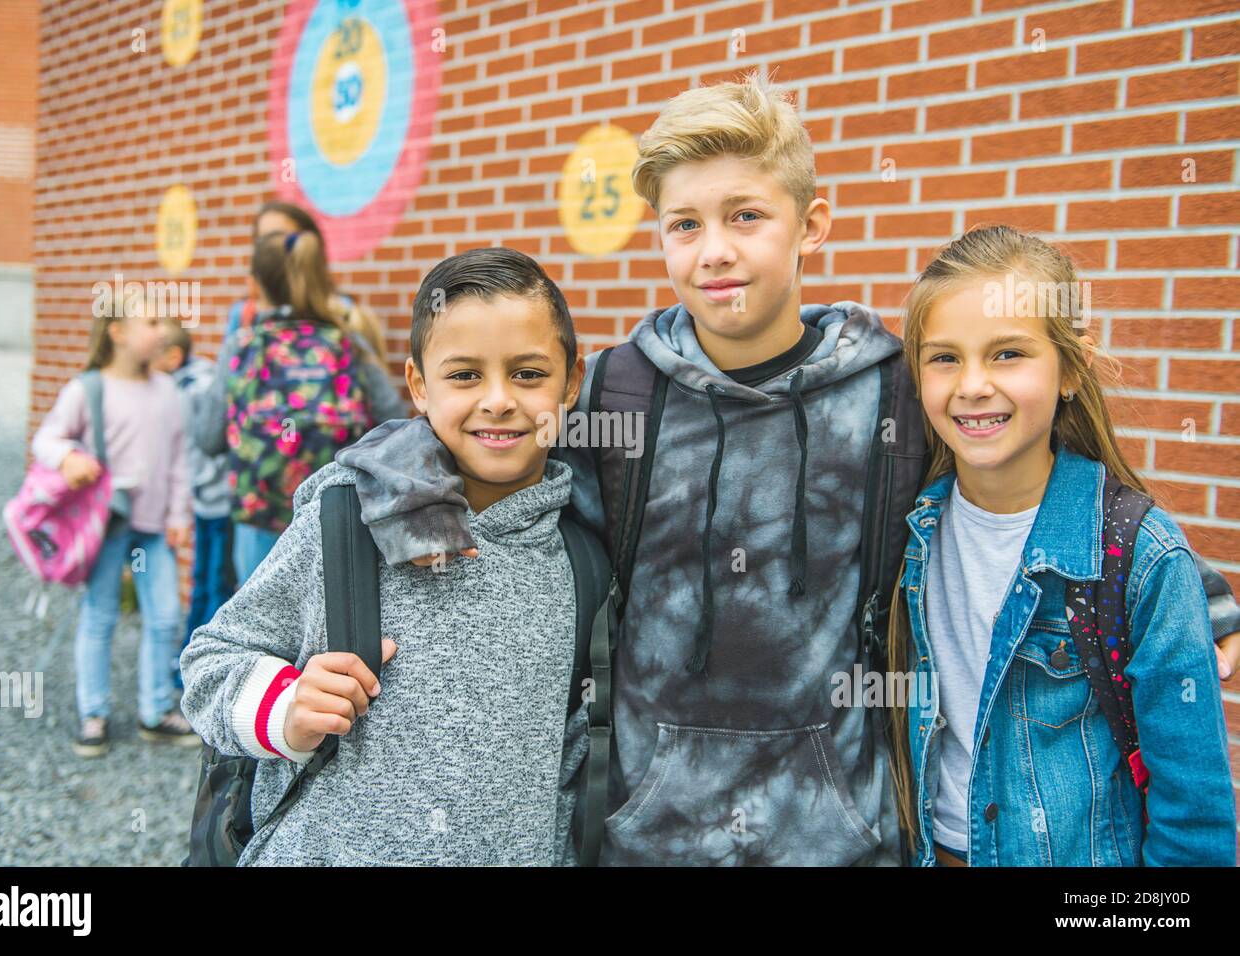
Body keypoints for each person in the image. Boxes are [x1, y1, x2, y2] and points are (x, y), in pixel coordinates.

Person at [302, 76, 1240, 866]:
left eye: (746, 215)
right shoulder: (624, 386)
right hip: (648, 826)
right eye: (684, 224)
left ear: (811, 223)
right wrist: (379, 484)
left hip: (837, 825)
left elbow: (1012, 480)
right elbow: (506, 469)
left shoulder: (889, 386)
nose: (715, 250)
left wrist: (1194, 596)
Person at [180, 248, 592, 865]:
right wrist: (287, 707)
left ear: (572, 381)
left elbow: (574, 757)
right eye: (464, 375)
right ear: (419, 386)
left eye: (529, 374)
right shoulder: (346, 518)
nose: (500, 399)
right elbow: (210, 661)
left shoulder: (583, 557)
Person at [886, 225, 1236, 866]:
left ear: (1071, 368)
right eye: (944, 358)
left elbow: (1196, 823)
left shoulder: (1141, 557)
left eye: (1007, 354)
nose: (971, 385)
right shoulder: (907, 523)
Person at [32, 300, 199, 756]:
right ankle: (94, 714)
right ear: (117, 332)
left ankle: (154, 711)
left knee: (164, 616)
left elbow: (180, 461)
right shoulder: (88, 389)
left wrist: (179, 516)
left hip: (153, 529)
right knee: (100, 616)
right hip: (106, 526)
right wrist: (70, 457)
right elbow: (47, 438)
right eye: (150, 323)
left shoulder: (168, 392)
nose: (162, 332)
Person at [196, 228, 407, 584]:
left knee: (260, 626)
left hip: (261, 516)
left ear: (258, 285)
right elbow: (396, 423)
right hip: (339, 515)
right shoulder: (347, 344)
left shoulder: (243, 346)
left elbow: (207, 437)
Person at [152, 319, 233, 690]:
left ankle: (201, 673)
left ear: (173, 355)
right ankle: (186, 660)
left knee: (216, 585)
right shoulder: (174, 385)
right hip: (202, 503)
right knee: (202, 580)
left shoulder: (195, 388)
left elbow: (204, 447)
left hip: (217, 502)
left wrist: (198, 488)